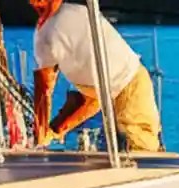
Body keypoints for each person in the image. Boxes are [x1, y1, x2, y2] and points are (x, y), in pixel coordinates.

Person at [30, 0, 161, 151]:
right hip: (102, 89)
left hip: (128, 82)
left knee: (141, 147)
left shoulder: (50, 33)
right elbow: (46, 88)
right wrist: (50, 131)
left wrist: (43, 133)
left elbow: (44, 88)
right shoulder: (75, 15)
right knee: (139, 149)